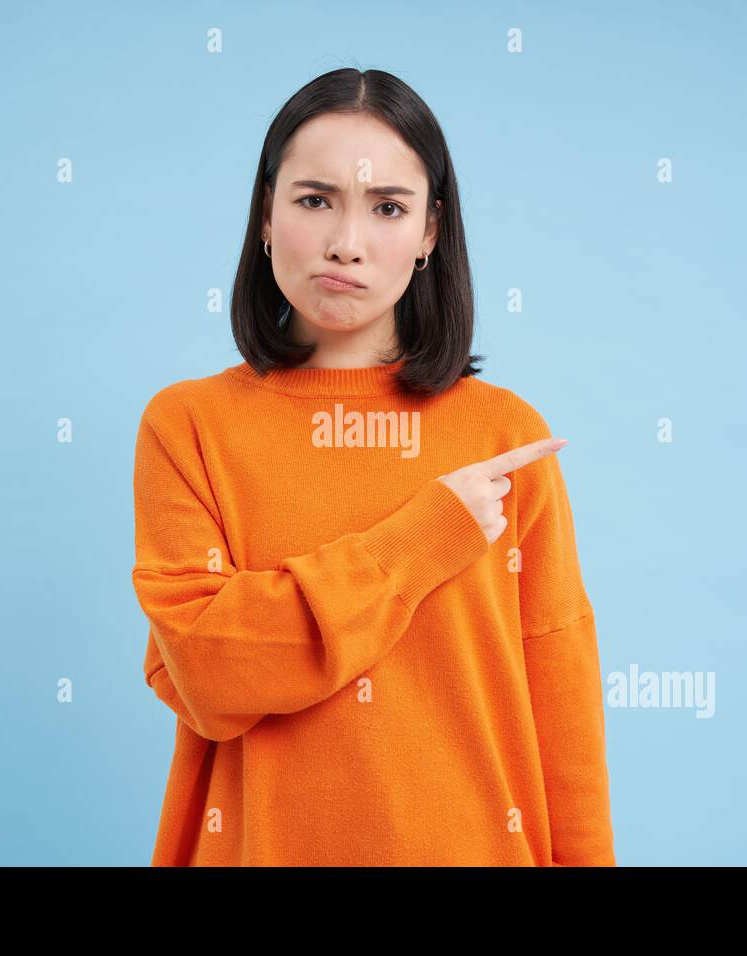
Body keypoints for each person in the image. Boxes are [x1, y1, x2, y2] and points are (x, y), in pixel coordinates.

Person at [131, 67, 615, 866]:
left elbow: (562, 702)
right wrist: (420, 542)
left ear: (430, 232)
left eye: (387, 207)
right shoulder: (189, 426)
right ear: (265, 213)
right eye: (314, 200)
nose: (345, 243)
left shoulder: (504, 435)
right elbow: (211, 675)